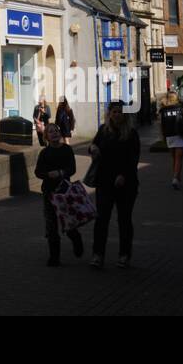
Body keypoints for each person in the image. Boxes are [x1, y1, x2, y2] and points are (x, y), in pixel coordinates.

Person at [89, 101, 139, 269]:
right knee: (101, 219)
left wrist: (123, 175)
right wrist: (93, 149)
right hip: (104, 182)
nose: (117, 115)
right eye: (114, 112)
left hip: (126, 184)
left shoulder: (131, 133)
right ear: (109, 114)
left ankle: (124, 255)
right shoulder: (103, 131)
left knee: (124, 220)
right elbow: (94, 145)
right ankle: (98, 254)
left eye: (119, 112)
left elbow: (133, 159)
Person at [35, 123, 85, 266]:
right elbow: (38, 172)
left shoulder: (67, 150)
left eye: (56, 131)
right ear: (46, 137)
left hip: (65, 192)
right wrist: (47, 174)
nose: (54, 133)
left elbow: (72, 168)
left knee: (68, 222)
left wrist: (61, 173)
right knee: (51, 225)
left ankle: (76, 239)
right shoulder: (44, 153)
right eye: (50, 132)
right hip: (49, 193)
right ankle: (54, 257)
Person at [163, 93, 183, 189]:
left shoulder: (164, 110)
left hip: (169, 136)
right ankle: (175, 178)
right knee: (179, 158)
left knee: (174, 158)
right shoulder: (180, 109)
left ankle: (177, 176)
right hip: (179, 135)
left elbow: (162, 125)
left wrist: (163, 136)